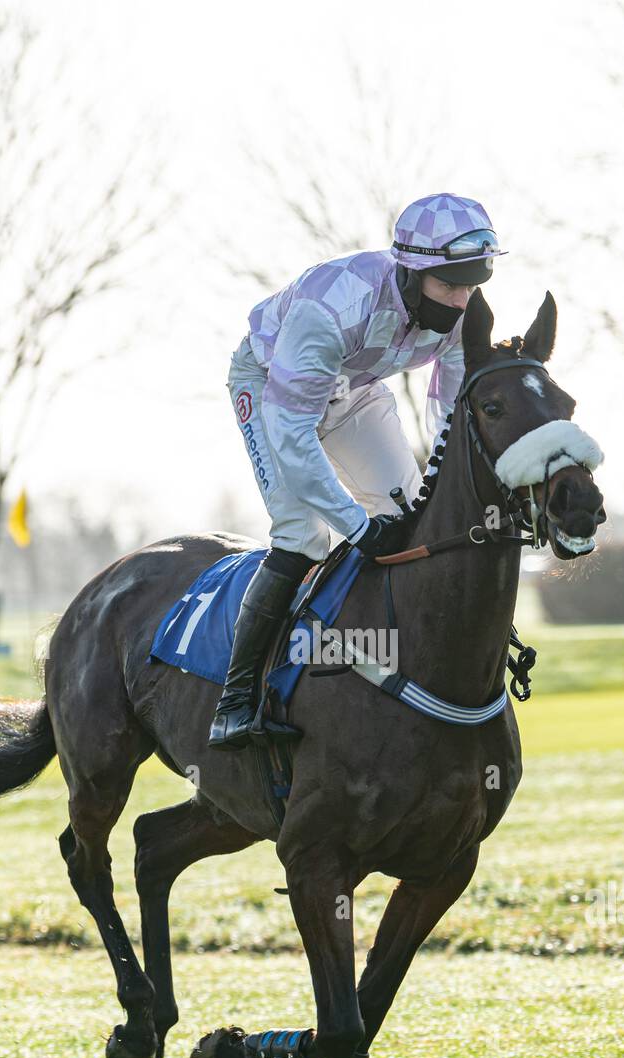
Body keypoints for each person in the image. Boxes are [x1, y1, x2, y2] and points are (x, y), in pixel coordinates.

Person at [209, 192, 506, 749]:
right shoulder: (333, 306)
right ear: (413, 273)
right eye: (449, 285)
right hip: (271, 387)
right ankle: (235, 700)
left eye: (472, 285)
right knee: (304, 536)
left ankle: (406, 669)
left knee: (410, 517)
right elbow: (293, 436)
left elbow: (448, 414)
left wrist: (440, 494)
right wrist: (357, 525)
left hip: (355, 391)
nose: (462, 301)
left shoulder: (463, 314)